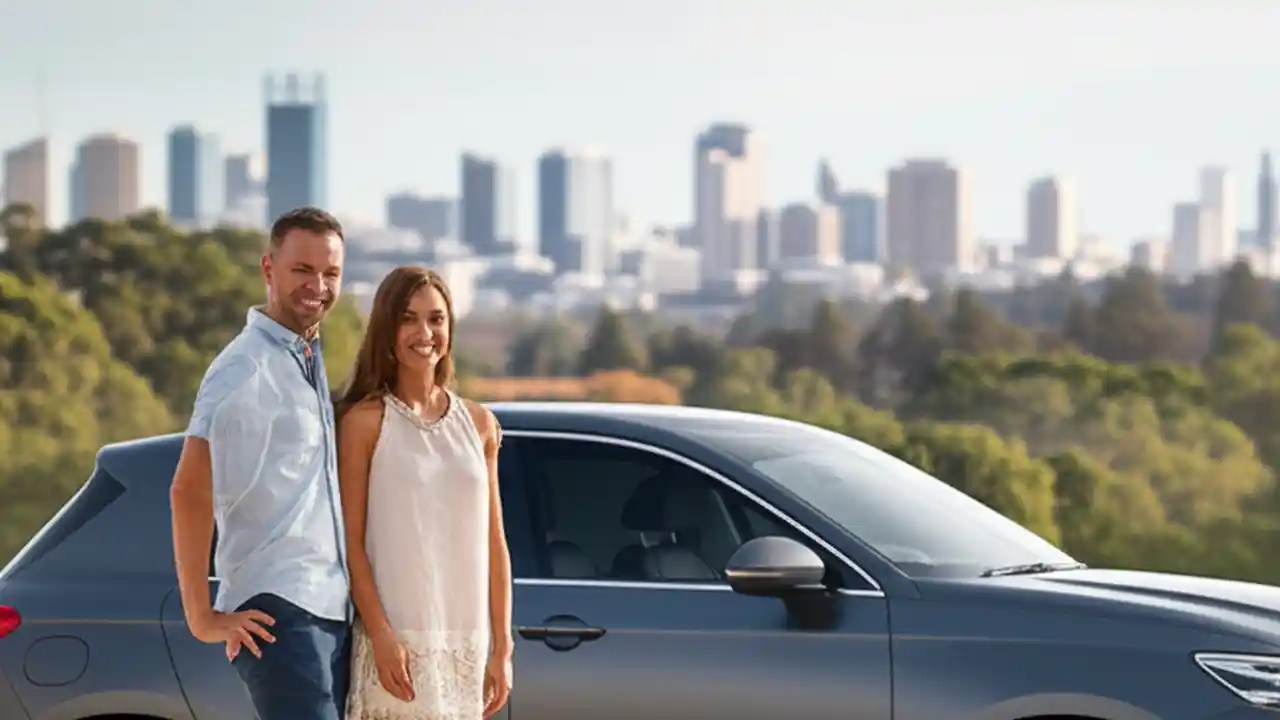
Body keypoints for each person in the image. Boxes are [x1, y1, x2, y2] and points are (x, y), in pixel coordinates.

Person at [170, 207, 353, 719]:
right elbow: (188, 489)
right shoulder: (243, 367)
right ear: (269, 269)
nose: (317, 285)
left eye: (331, 273)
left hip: (329, 610)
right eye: (302, 270)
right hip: (281, 611)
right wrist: (201, 618)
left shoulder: (305, 355)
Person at [335, 265, 513, 720]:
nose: (424, 332)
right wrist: (380, 634)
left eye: (436, 318)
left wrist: (501, 648)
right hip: (396, 649)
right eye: (408, 318)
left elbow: (495, 543)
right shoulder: (365, 423)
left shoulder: (479, 424)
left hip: (464, 648)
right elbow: (350, 545)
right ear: (387, 329)